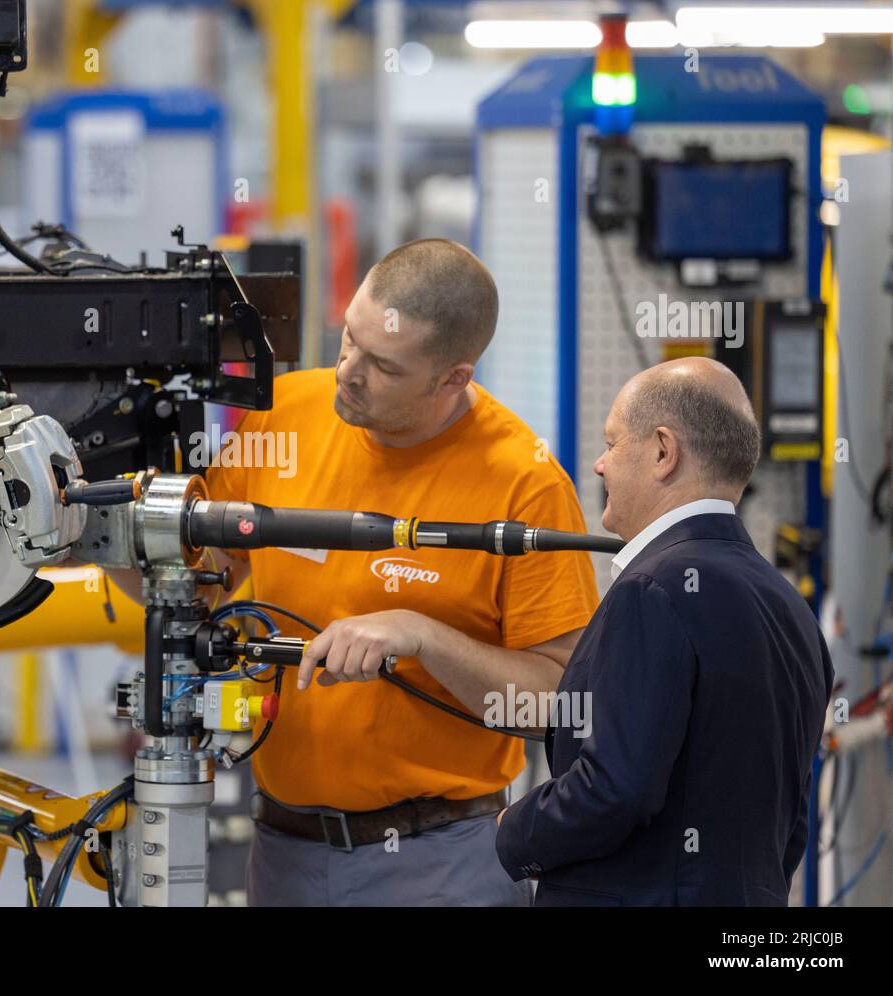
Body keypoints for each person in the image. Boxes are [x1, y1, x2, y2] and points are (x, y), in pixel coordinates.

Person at [194, 239, 600, 906]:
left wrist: (424, 637)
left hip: (440, 864)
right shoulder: (283, 417)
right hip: (283, 854)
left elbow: (557, 701)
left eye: (382, 366)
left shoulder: (522, 483)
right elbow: (201, 581)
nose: (347, 372)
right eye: (348, 340)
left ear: (453, 379)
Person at [494, 356, 833, 906]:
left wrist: (511, 829)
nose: (600, 465)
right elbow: (788, 820)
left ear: (662, 451)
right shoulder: (790, 608)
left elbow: (614, 788)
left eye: (611, 443)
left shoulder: (653, 591)